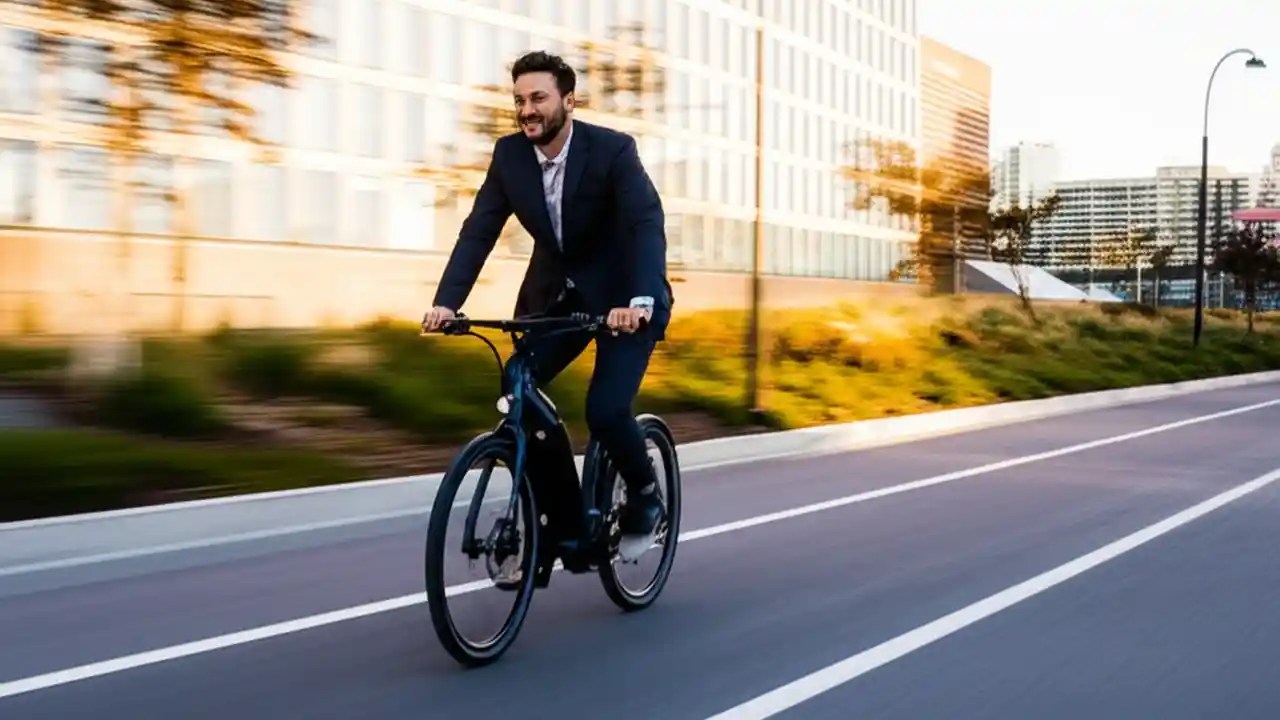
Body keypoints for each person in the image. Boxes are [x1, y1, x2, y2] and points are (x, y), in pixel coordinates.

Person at [421, 50, 673, 540]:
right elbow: (479, 232)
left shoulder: (612, 151)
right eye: (519, 100)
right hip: (559, 300)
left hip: (624, 301)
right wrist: (446, 302)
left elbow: (646, 224)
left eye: (538, 97)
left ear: (568, 101)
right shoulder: (509, 155)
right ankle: (555, 521)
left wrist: (641, 301)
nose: (526, 110)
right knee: (517, 389)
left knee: (604, 411)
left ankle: (645, 494)